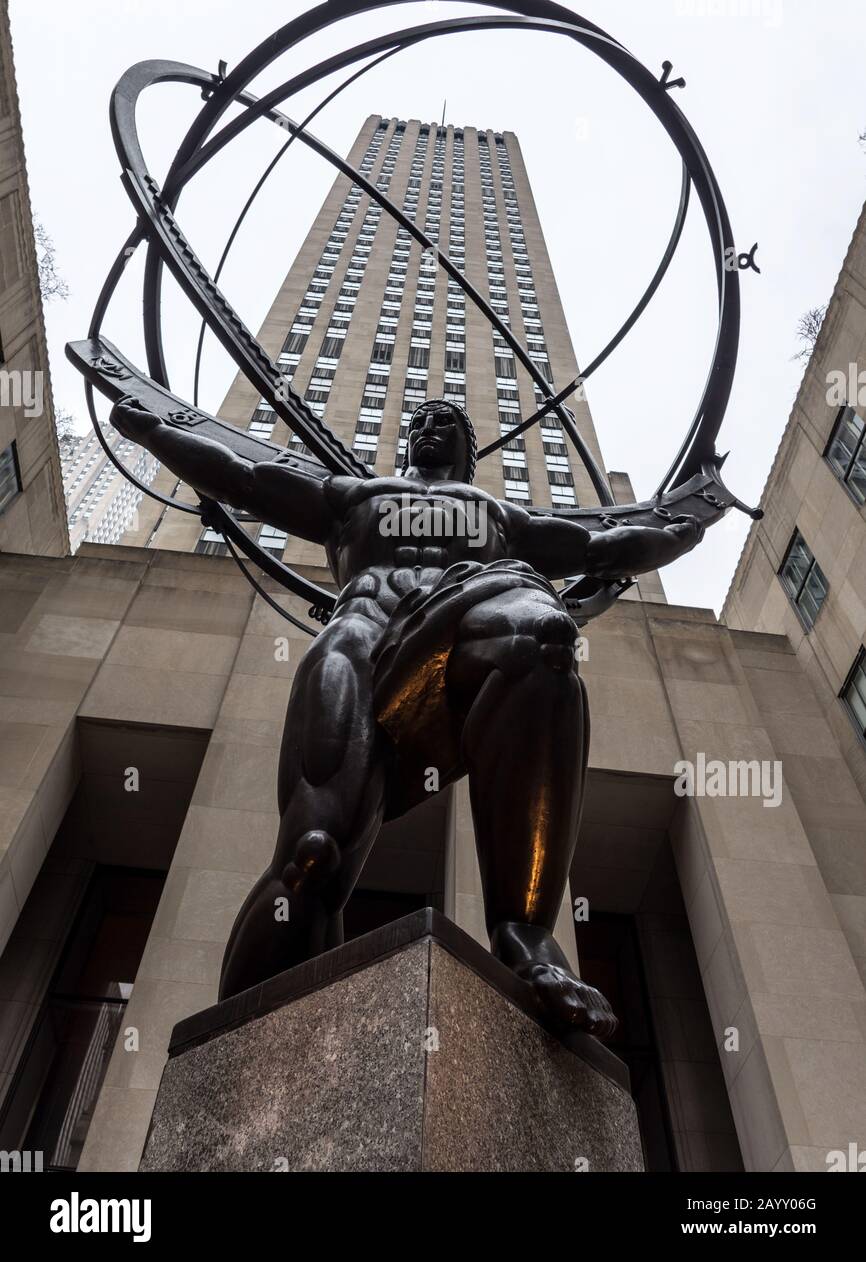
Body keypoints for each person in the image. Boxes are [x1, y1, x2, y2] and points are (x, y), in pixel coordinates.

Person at [111, 394, 702, 1036]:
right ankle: (237, 1048)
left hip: (467, 619)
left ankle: (527, 938)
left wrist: (679, 532)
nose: (432, 424)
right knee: (314, 857)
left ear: (470, 451)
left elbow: (598, 548)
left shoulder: (501, 515)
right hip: (362, 635)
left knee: (544, 638)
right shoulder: (356, 495)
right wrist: (154, 431)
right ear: (406, 440)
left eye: (448, 420)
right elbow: (243, 478)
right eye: (420, 420)